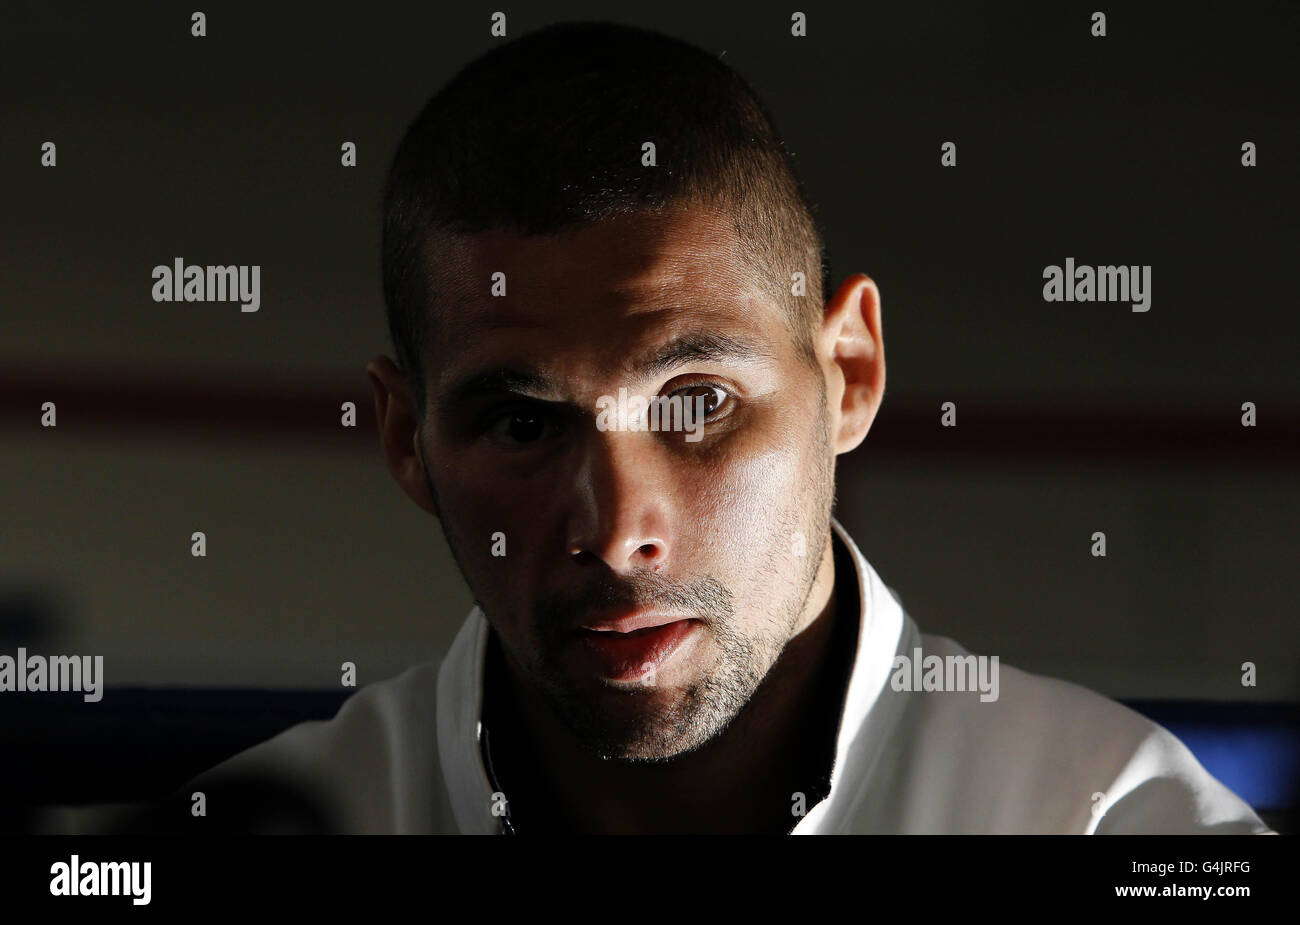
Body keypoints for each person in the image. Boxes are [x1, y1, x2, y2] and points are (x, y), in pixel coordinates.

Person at [182, 21, 1273, 834]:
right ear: (405, 441)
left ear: (846, 374)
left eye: (695, 401)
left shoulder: (1122, 825)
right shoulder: (286, 818)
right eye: (522, 422)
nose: (616, 534)